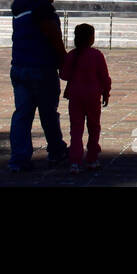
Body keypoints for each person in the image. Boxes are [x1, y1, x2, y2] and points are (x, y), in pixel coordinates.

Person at [8, 0, 68, 172]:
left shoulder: (20, 7)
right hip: (42, 68)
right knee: (49, 114)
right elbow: (53, 35)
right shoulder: (42, 7)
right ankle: (57, 152)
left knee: (22, 115)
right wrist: (64, 61)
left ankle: (19, 159)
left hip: (19, 67)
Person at [60, 23, 112, 173]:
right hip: (93, 96)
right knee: (94, 127)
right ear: (91, 38)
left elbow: (64, 76)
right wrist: (106, 93)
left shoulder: (72, 55)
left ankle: (75, 161)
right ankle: (92, 158)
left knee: (76, 128)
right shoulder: (97, 56)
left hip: (75, 96)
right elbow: (104, 78)